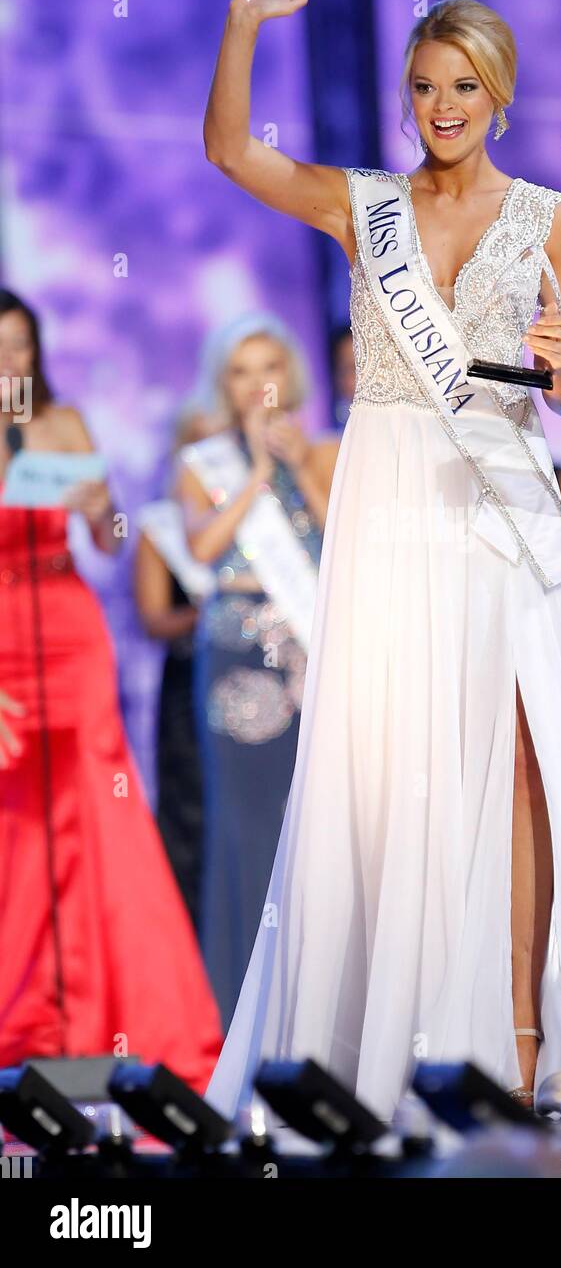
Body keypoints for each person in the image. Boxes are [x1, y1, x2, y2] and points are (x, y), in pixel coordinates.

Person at [201, 0, 561, 1123]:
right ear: (406, 96)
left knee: (518, 764)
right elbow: (232, 155)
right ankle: (385, 1037)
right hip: (394, 503)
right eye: (423, 86)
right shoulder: (364, 206)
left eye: (463, 86)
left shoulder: (550, 220)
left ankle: (519, 1035)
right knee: (391, 768)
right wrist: (241, 23)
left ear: (498, 93)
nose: (443, 108)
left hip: (499, 501)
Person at [0, 288, 222, 1092]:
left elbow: (108, 537)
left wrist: (102, 510)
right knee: (19, 829)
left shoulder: (62, 425)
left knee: (99, 813)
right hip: (2, 651)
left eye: (20, 346)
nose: (10, 363)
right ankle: (27, 1020)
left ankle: (119, 1019)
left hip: (69, 633)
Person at [177, 311, 338, 1029]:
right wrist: (256, 475)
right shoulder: (201, 463)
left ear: (289, 377)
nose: (255, 384)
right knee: (246, 828)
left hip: (315, 655)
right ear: (224, 382)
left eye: (267, 367)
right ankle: (244, 1008)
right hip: (238, 660)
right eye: (240, 371)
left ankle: (322, 1004)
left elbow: (345, 538)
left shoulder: (325, 449)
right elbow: (205, 549)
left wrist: (298, 466)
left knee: (318, 826)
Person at [134, 412, 222, 933]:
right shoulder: (162, 524)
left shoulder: (256, 514)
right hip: (188, 687)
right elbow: (152, 618)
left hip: (261, 681)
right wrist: (216, 615)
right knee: (190, 812)